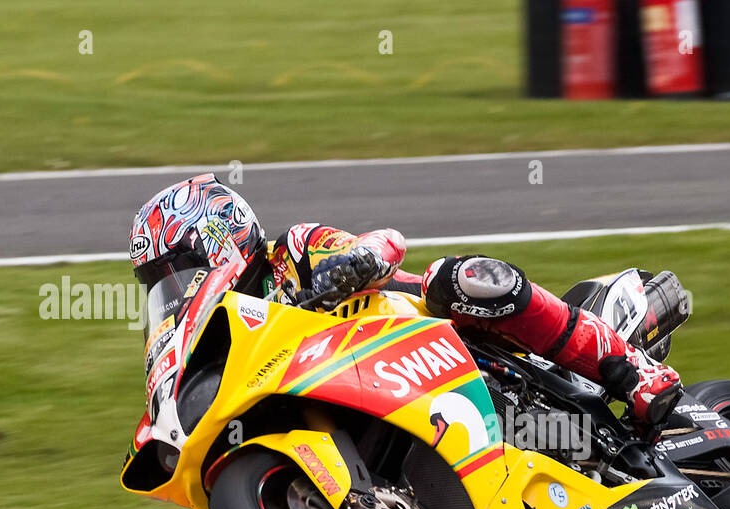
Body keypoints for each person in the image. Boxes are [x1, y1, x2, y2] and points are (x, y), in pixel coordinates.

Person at [129, 173, 685, 425]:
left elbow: (382, 242)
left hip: (448, 337)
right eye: (162, 287)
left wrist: (355, 263)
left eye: (178, 274)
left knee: (464, 279)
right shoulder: (233, 341)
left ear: (220, 235)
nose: (174, 295)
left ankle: (629, 367)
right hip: (382, 392)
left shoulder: (291, 251)